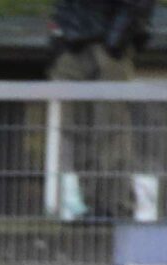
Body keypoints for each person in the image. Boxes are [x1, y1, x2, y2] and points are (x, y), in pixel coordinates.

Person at [48, 0, 154, 222]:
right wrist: (60, 40)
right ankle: (92, 203)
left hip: (109, 44)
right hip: (73, 44)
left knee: (111, 129)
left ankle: (116, 205)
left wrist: (116, 40)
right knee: (76, 130)